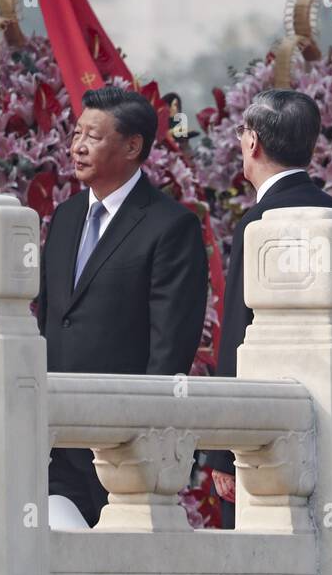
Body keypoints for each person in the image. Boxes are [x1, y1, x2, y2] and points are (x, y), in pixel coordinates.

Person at [36, 86, 208, 526]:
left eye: (92, 136)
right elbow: (50, 320)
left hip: (122, 443)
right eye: (76, 133)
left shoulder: (171, 226)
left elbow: (170, 344)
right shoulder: (66, 217)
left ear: (133, 146)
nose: (76, 146)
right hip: (56, 436)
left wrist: (142, 434)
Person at [206, 89, 332, 528]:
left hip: (265, 423)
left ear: (253, 143)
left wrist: (223, 447)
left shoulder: (258, 223)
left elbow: (236, 335)